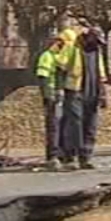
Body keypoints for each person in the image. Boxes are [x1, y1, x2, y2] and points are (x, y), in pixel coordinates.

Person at [54, 19, 110, 170]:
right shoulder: (73, 46)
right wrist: (58, 88)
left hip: (93, 91)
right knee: (74, 124)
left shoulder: (96, 50)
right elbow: (60, 65)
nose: (97, 44)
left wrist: (103, 94)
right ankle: (70, 156)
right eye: (96, 40)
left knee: (90, 124)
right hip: (75, 91)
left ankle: (86, 157)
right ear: (89, 36)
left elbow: (101, 73)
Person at [34, 25, 76, 168]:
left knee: (65, 125)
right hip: (53, 95)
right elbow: (43, 77)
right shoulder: (47, 56)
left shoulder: (63, 58)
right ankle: (52, 156)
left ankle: (64, 153)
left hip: (64, 94)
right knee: (54, 126)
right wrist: (48, 95)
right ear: (59, 42)